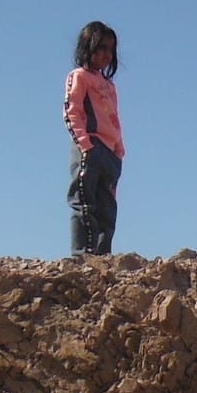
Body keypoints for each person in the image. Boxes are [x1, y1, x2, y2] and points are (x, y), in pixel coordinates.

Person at [65, 20, 124, 255]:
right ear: (88, 47)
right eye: (102, 48)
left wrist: (119, 150)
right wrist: (85, 144)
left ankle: (102, 258)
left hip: (110, 153)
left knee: (107, 209)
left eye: (111, 49)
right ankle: (82, 256)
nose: (107, 55)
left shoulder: (109, 86)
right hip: (89, 146)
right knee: (84, 202)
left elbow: (114, 119)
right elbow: (72, 110)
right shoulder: (79, 77)